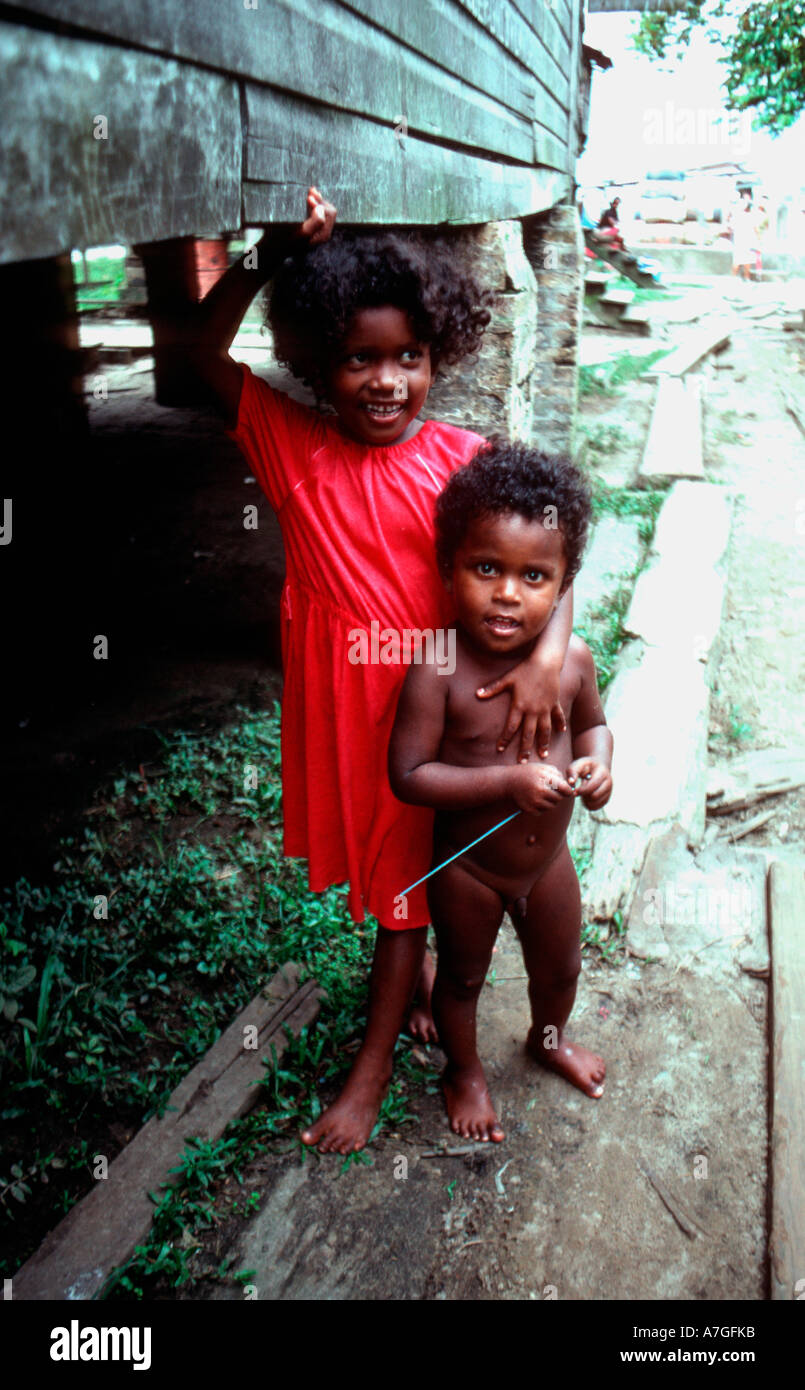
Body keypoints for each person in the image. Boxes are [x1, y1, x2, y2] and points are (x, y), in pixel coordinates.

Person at [185, 188, 576, 1153]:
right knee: (400, 879)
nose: (386, 380)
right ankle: (423, 1007)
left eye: (409, 356)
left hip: (446, 710)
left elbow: (549, 557)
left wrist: (550, 655)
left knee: (414, 887)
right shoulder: (291, 446)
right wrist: (266, 254)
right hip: (352, 709)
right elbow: (199, 350)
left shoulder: (464, 459)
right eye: (359, 358)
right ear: (320, 364)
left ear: (438, 354)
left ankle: (372, 1074)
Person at [389, 441, 613, 1142]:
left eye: (534, 576)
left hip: (547, 865)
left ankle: (546, 1039)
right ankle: (463, 1071)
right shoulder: (438, 667)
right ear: (448, 567)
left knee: (561, 968)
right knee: (460, 981)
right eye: (486, 569)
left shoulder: (570, 660)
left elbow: (594, 728)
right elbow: (409, 775)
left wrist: (600, 769)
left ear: (563, 581)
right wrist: (508, 780)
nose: (509, 592)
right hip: (469, 871)